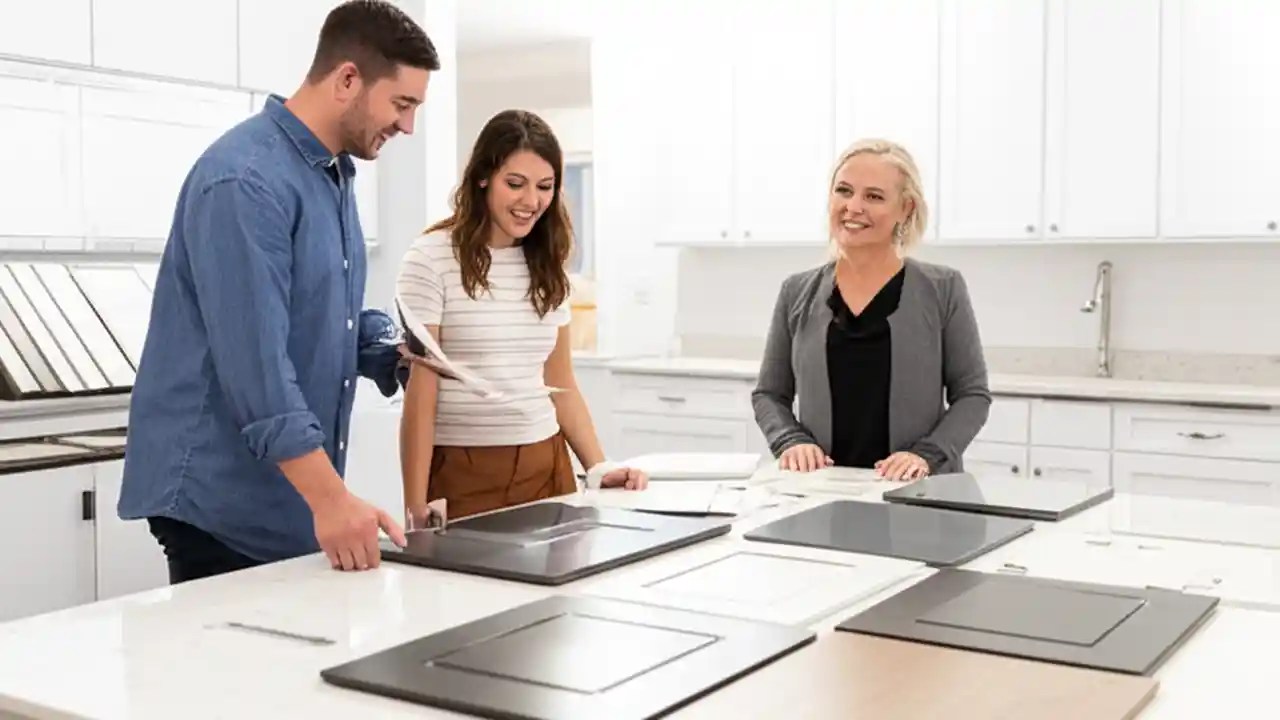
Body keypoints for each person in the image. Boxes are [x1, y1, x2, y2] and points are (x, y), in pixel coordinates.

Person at [118, 0, 440, 582]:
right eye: (402, 103)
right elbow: (257, 367)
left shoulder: (332, 174)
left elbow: (323, 315)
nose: (408, 125)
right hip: (220, 499)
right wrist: (332, 501)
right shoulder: (244, 181)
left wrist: (392, 350)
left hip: (281, 495)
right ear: (348, 79)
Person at [395, 109, 647, 525]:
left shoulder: (547, 262)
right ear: (482, 178)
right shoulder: (431, 258)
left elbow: (560, 382)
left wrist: (598, 467)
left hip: (547, 464)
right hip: (463, 469)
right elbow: (422, 395)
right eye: (515, 184)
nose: (532, 202)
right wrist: (414, 507)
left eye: (545, 187)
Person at [752, 138, 991, 480]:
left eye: (874, 196)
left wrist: (927, 454)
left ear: (906, 209)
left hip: (916, 492)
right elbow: (770, 394)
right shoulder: (796, 292)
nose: (853, 206)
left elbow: (972, 395)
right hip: (822, 490)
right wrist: (790, 441)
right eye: (844, 191)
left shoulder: (943, 288)